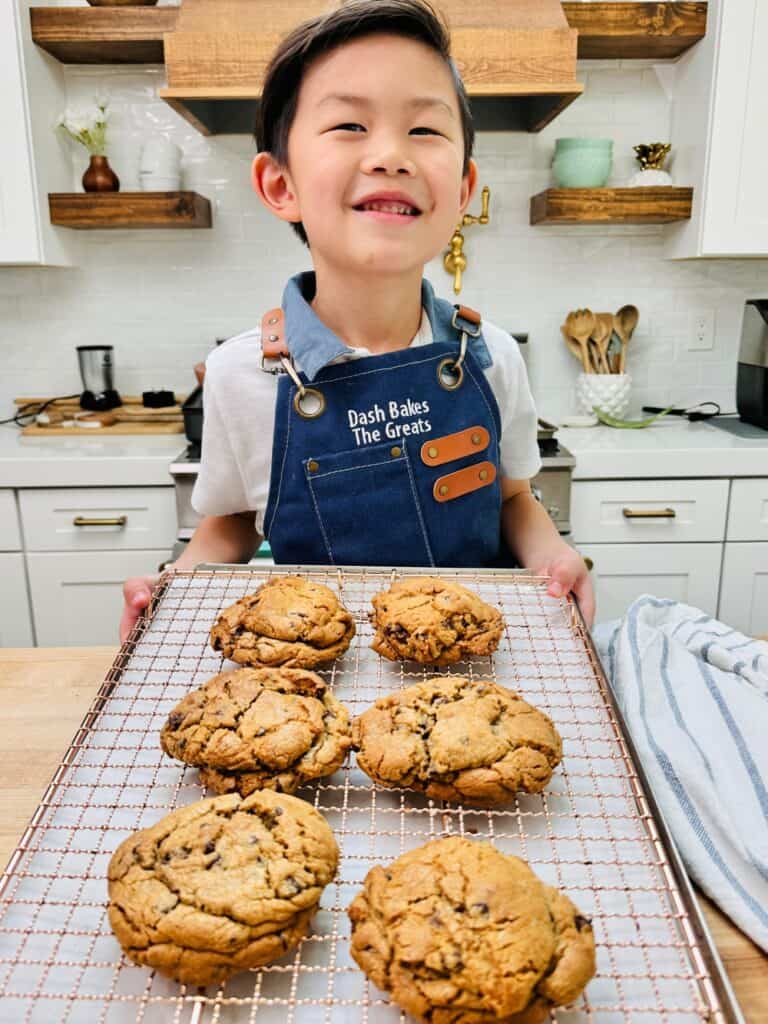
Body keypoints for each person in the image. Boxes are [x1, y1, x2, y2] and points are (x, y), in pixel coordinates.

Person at [120, 0, 594, 641]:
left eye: (425, 131)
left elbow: (513, 499)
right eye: (348, 124)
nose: (391, 155)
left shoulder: (490, 357)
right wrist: (169, 597)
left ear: (461, 190)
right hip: (313, 683)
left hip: (474, 672)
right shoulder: (242, 374)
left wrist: (553, 558)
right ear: (279, 184)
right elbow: (230, 522)